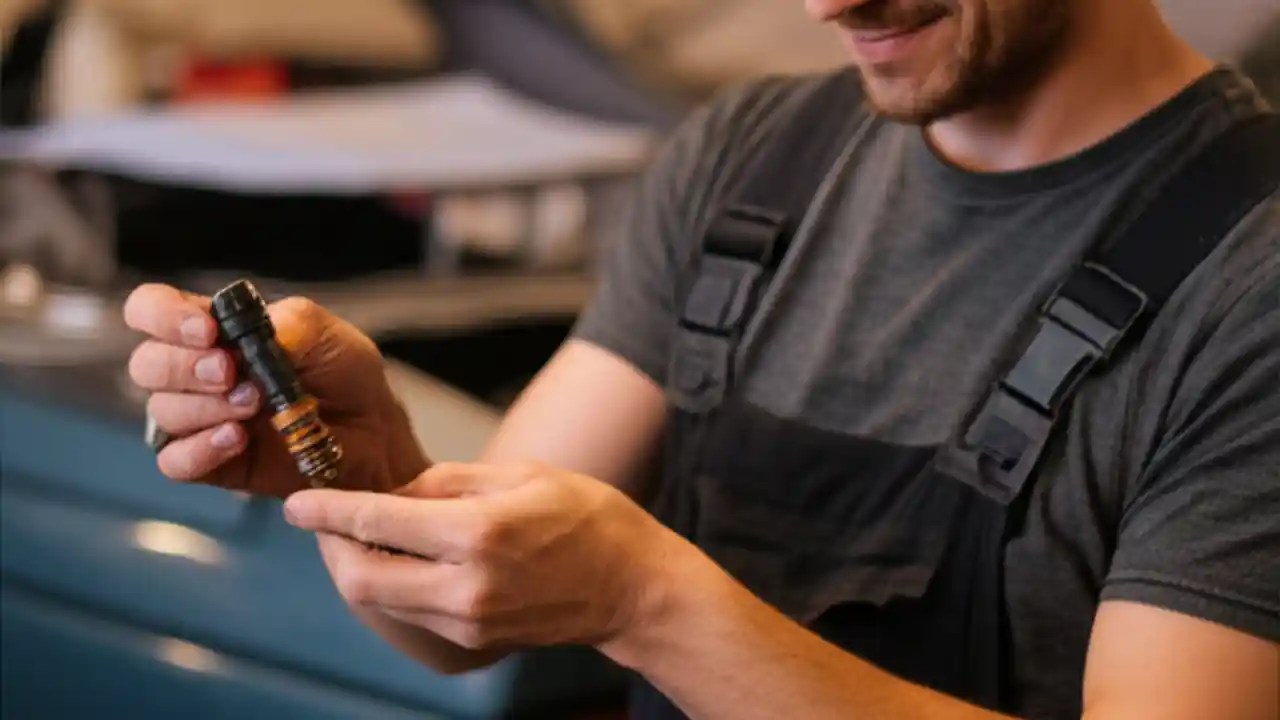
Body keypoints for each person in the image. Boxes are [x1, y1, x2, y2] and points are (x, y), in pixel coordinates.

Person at [123, 0, 1279, 717]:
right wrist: (366, 473)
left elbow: (622, 591)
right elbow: (445, 629)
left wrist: (650, 603)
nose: (830, 4)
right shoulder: (749, 161)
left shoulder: (1249, 274)